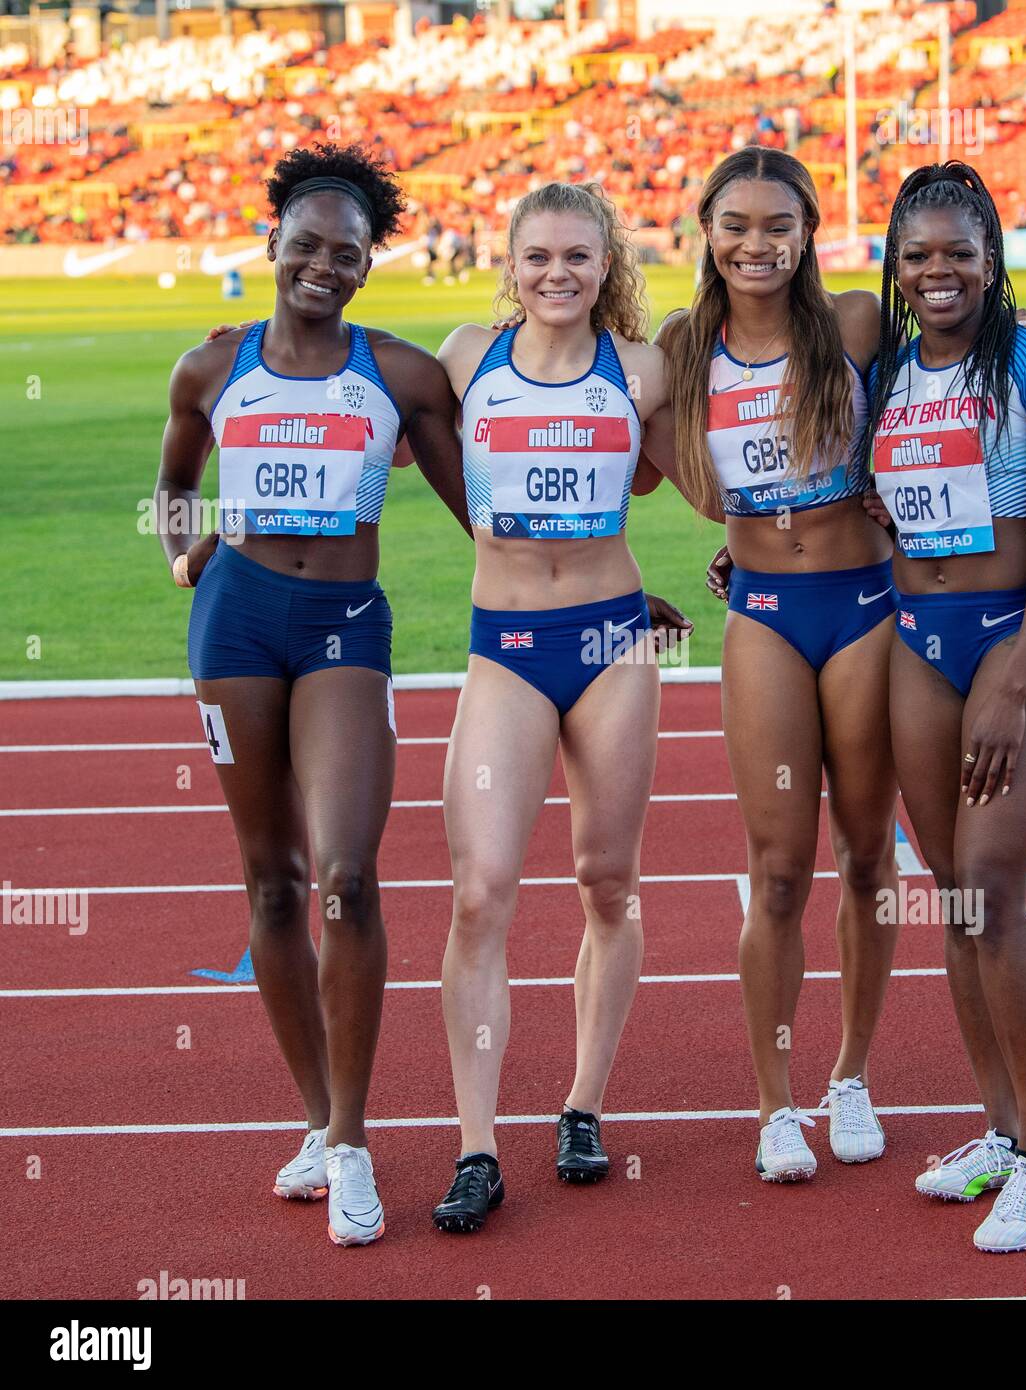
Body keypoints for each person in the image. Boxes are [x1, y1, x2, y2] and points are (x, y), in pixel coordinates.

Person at [154, 143, 468, 1248]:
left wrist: (596, 588)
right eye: (306, 243)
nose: (323, 264)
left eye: (347, 250)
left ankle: (350, 1140)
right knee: (273, 882)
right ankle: (317, 1118)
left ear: (368, 265)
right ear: (271, 242)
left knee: (345, 875)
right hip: (233, 624)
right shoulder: (209, 367)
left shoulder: (402, 374)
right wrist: (183, 551)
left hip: (343, 628)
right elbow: (175, 482)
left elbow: (486, 510)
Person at [428, 181, 691, 1233]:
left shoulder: (640, 369)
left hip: (612, 640)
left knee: (606, 879)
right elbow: (365, 399)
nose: (557, 274)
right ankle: (475, 1145)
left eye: (577, 257)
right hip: (506, 647)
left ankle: (582, 1101)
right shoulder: (462, 358)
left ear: (606, 263)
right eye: (538, 255)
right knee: (482, 891)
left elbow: (705, 472)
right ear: (511, 259)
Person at [642, 146, 899, 1182]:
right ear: (706, 231)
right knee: (779, 868)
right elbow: (567, 391)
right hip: (762, 614)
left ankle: (851, 1077)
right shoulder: (677, 345)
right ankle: (774, 1101)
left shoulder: (855, 324)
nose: (757, 244)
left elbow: (967, 359)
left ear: (808, 232)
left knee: (870, 856)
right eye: (736, 225)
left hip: (868, 606)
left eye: (778, 226)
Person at [863, 162, 1026, 1253]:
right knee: (954, 898)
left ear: (991, 257)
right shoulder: (887, 375)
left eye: (959, 250)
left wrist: (1010, 683)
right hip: (919, 642)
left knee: (993, 893)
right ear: (896, 270)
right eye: (918, 255)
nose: (938, 270)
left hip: (1024, 641)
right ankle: (999, 1130)